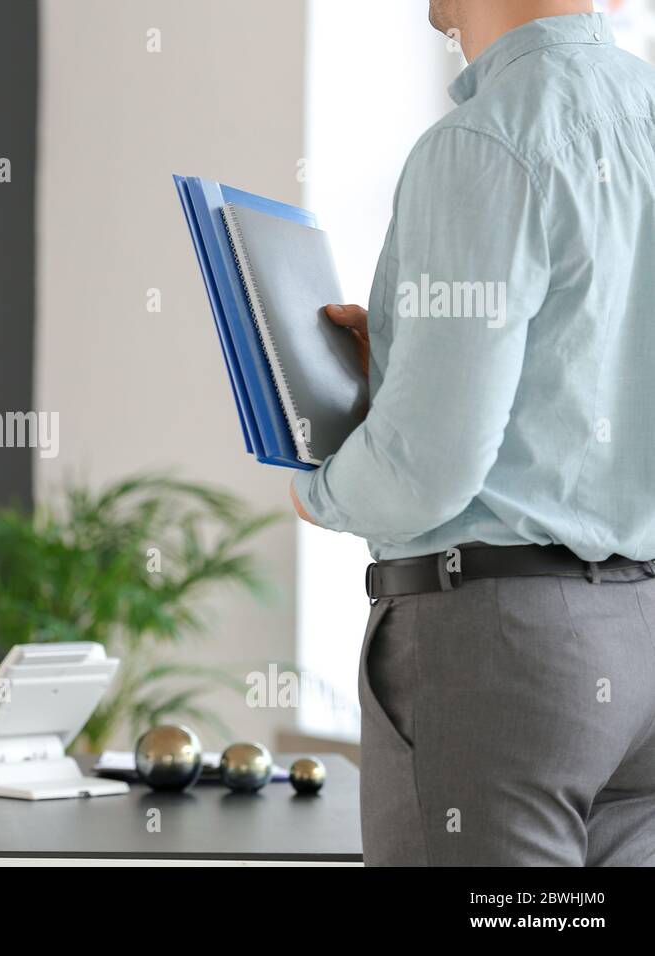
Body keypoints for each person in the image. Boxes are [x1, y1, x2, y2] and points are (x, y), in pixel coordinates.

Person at [290, 2, 655, 865]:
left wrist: (319, 491)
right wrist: (411, 362)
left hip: (507, 653)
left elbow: (429, 469)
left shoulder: (484, 142)